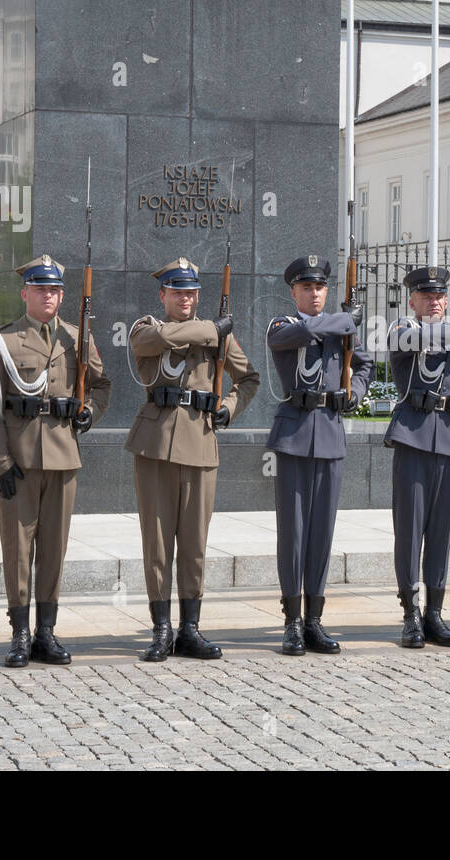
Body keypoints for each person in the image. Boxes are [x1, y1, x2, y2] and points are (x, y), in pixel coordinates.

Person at [124, 258, 259, 661]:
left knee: (196, 545)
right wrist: (212, 330)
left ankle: (190, 629)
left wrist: (230, 408)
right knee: (158, 542)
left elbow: (249, 378)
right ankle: (161, 629)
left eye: (191, 293)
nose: (185, 298)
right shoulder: (146, 328)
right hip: (155, 444)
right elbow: (152, 342)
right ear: (162, 294)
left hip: (200, 441)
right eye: (177, 292)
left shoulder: (219, 336)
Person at [0, 254, 111, 667]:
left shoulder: (76, 337)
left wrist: (90, 410)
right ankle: (20, 634)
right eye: (41, 289)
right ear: (25, 293)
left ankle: (46, 633)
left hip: (62, 454)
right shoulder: (2, 340)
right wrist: (0, 463)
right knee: (18, 549)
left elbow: (101, 384)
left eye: (55, 290)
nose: (49, 296)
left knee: (54, 548)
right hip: (19, 458)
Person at [265, 255, 372, 656]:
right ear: (293, 291)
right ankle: (291, 622)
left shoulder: (342, 331)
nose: (314, 293)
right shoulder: (282, 325)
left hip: (329, 433)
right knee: (293, 533)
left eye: (320, 287)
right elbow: (300, 333)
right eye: (307, 287)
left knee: (322, 533)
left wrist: (355, 394)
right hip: (293, 433)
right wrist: (346, 321)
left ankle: (314, 621)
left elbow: (364, 366)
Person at [384, 266, 450, 649]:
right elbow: (416, 339)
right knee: (409, 532)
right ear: (412, 301)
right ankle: (410, 613)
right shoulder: (400, 330)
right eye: (427, 296)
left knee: (442, 532)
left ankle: (434, 613)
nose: (435, 301)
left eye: (440, 296)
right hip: (414, 437)